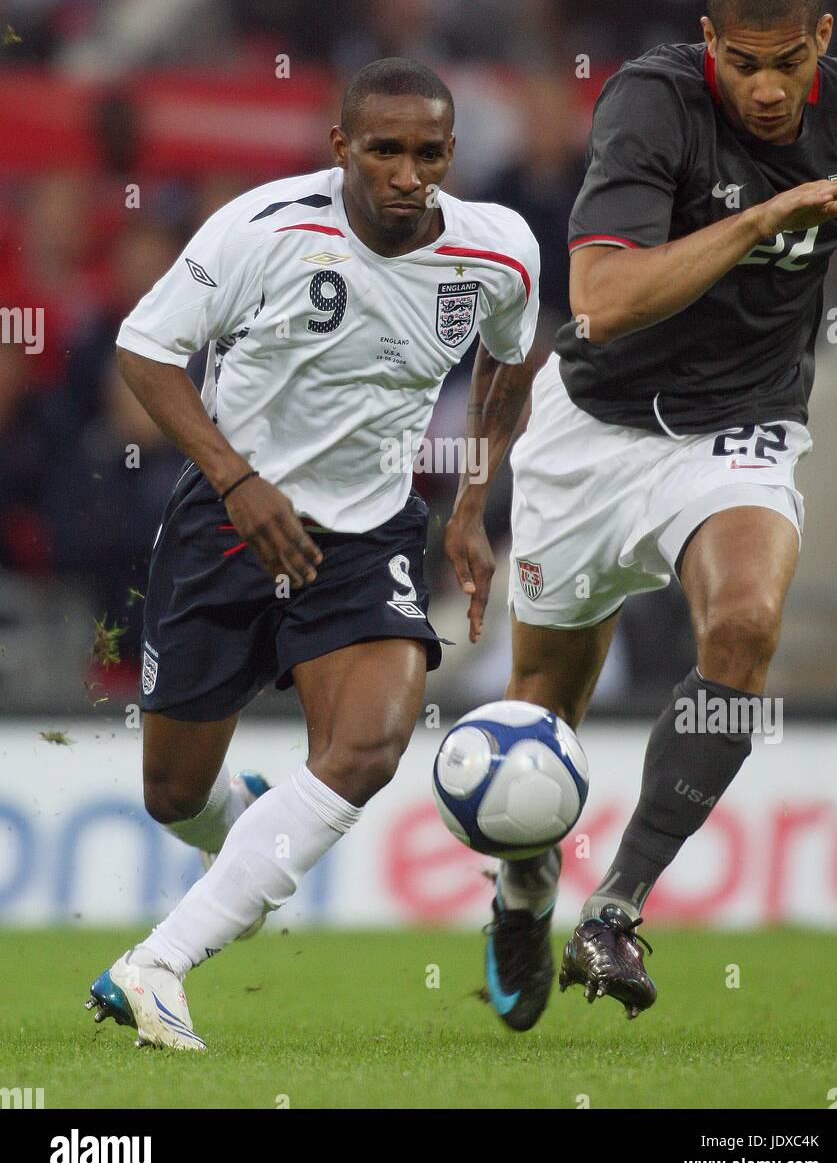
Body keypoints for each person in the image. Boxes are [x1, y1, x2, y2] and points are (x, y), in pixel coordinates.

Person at [85, 58, 539, 1049]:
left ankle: (157, 961)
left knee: (368, 747)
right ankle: (246, 822)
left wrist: (469, 501)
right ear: (341, 149)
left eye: (427, 152)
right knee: (172, 796)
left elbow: (509, 349)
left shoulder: (497, 251)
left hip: (367, 532)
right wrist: (238, 482)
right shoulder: (260, 228)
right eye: (383, 149)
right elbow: (145, 346)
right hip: (224, 522)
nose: (406, 172)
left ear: (449, 155)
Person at [462, 0, 837, 1030]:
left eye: (786, 63)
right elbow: (595, 298)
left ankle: (616, 904)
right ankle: (523, 884)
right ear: (708, 47)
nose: (766, 87)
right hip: (591, 433)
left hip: (736, 433)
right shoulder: (651, 101)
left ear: (821, 44)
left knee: (741, 621)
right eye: (742, 64)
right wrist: (762, 219)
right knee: (542, 705)